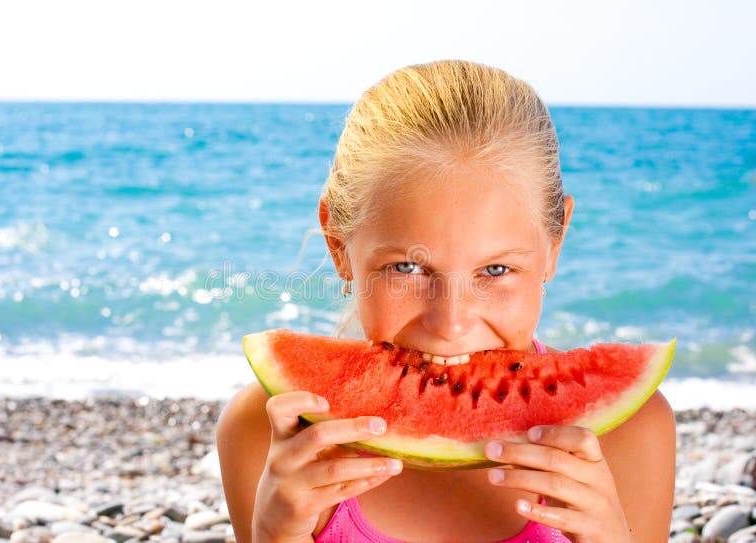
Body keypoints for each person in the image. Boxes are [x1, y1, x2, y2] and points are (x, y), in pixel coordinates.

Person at [216, 60, 676, 543]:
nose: (451, 324)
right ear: (337, 244)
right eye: (407, 268)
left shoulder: (631, 432)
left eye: (495, 270)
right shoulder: (269, 436)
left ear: (554, 247)